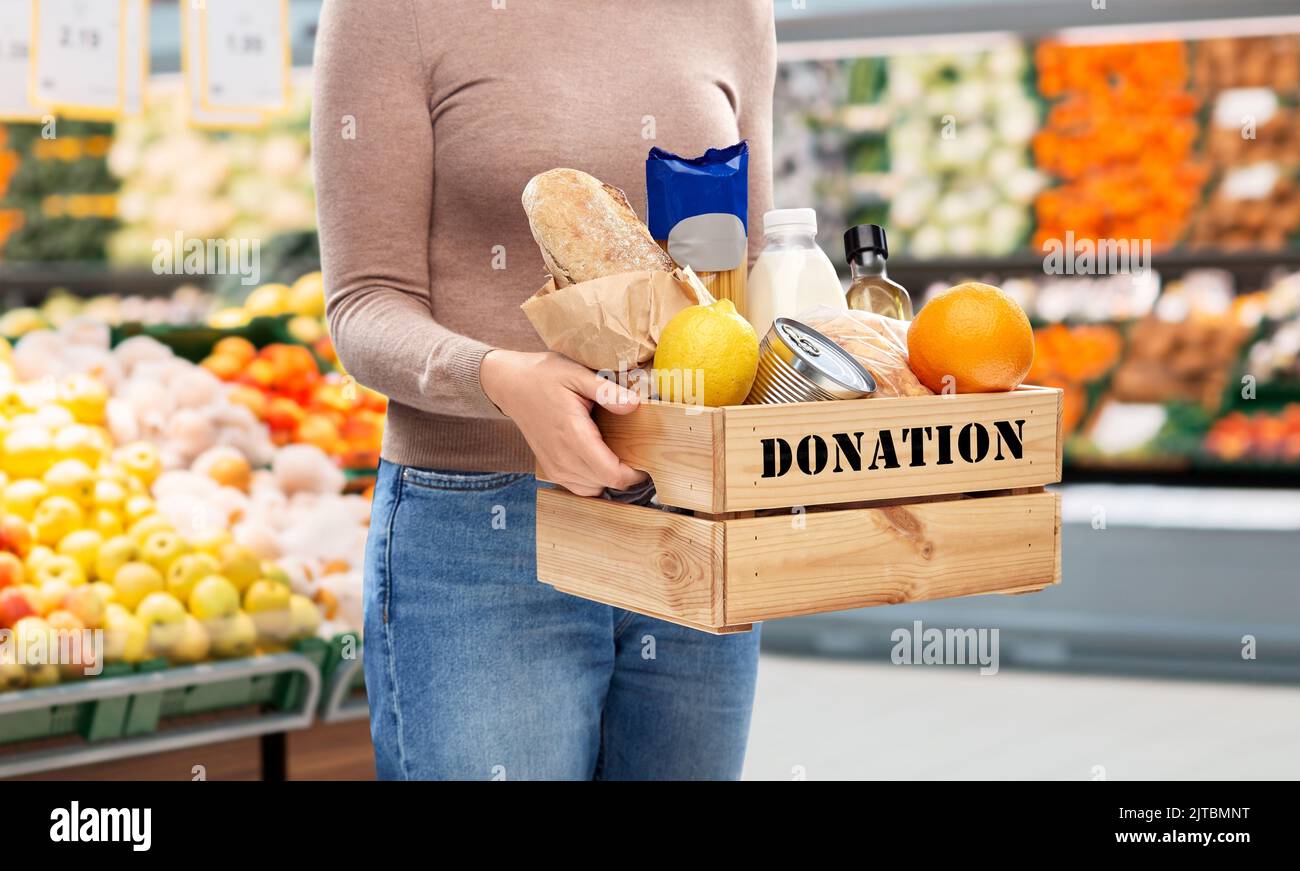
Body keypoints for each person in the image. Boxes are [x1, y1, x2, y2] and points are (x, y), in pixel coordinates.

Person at [312, 0, 775, 780]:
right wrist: (502, 380)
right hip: (480, 534)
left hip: (690, 524)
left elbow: (746, 277)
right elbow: (365, 304)